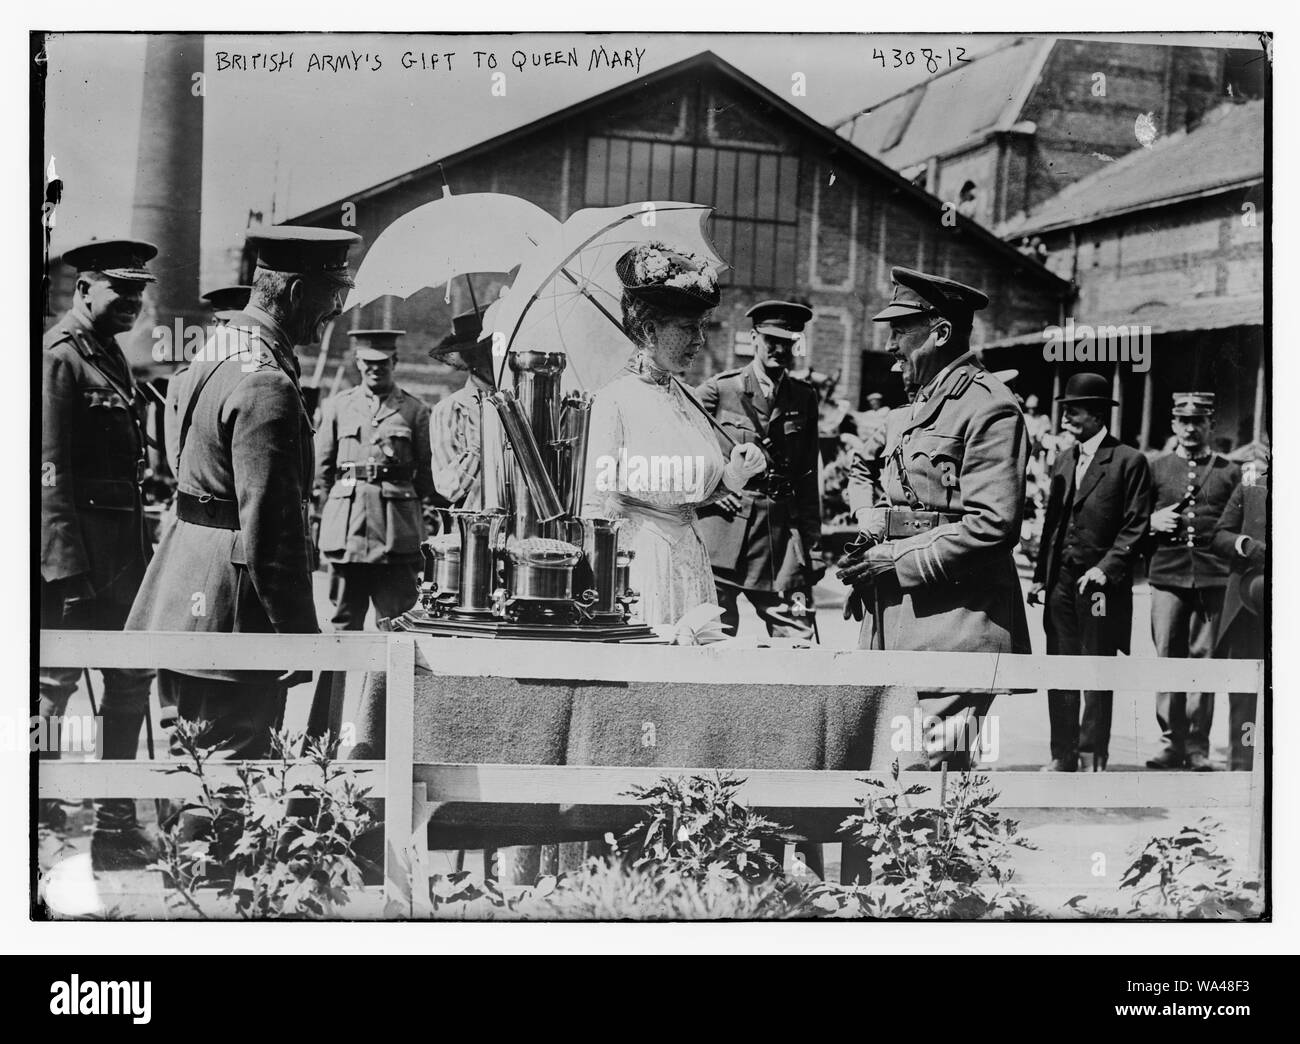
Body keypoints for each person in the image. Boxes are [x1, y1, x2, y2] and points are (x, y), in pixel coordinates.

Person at [127, 226, 359, 759]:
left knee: (196, 762)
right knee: (230, 766)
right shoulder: (266, 383)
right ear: (298, 293)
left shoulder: (213, 354)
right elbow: (272, 531)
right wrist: (298, 634)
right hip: (233, 608)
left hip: (185, 587)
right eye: (334, 298)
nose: (333, 315)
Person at [840, 266, 1030, 774]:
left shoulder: (989, 407)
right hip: (900, 619)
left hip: (954, 624)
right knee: (885, 774)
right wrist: (875, 531)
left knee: (921, 780)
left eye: (900, 330)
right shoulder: (923, 403)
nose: (890, 345)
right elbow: (918, 502)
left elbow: (993, 524)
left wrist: (894, 561)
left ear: (940, 332)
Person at [40, 237, 158, 867]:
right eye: (121, 288)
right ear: (84, 289)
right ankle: (39, 806)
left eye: (140, 291)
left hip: (122, 562)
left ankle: (115, 815)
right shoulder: (58, 357)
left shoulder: (108, 352)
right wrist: (63, 568)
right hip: (79, 564)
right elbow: (46, 470)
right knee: (52, 688)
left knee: (130, 681)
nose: (134, 301)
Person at [581, 243, 766, 627]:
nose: (699, 340)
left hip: (689, 556)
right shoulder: (614, 400)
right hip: (640, 564)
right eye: (687, 328)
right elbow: (593, 507)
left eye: (701, 327)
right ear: (649, 330)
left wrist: (735, 474)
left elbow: (697, 494)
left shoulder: (685, 397)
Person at [1027, 373, 1152, 772]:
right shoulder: (1064, 459)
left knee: (1097, 666)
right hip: (1061, 583)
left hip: (1099, 587)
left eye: (1074, 412)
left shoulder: (1129, 461)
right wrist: (1040, 576)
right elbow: (1053, 522)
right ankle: (1061, 754)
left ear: (1098, 415)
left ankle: (1091, 754)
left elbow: (1136, 525)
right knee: (1061, 666)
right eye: (1065, 411)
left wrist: (1106, 568)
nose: (1065, 419)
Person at [695, 301, 822, 640]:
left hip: (779, 544)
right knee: (712, 640)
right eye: (771, 340)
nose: (780, 349)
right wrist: (708, 495)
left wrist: (812, 545)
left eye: (788, 342)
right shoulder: (719, 390)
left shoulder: (803, 398)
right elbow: (682, 452)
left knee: (798, 635)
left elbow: (809, 476)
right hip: (723, 536)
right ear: (753, 338)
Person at [315, 329, 435, 630]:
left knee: (395, 625)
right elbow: (323, 469)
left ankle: (383, 681)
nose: (375, 368)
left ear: (395, 361)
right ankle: (337, 680)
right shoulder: (338, 407)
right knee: (343, 622)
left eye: (383, 362)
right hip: (348, 534)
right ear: (357, 363)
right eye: (368, 362)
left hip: (397, 535)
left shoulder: (414, 410)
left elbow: (426, 473)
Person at [1144, 392, 1240, 771]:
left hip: (1213, 577)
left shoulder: (1228, 471)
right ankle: (1170, 742)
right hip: (1167, 575)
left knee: (1205, 660)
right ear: (1172, 424)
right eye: (1183, 421)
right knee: (1168, 658)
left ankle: (1197, 745)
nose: (1190, 427)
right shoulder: (1156, 468)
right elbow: (1132, 518)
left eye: (1198, 421)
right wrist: (1152, 522)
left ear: (1211, 425)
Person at [1212, 443, 1268, 771]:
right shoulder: (1251, 483)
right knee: (1245, 695)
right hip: (1249, 604)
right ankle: (1242, 765)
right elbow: (1219, 535)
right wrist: (1245, 545)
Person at [427, 310, 495, 509]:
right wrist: (484, 439)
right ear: (473, 357)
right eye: (491, 350)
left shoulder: (519, 401)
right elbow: (450, 488)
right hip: (470, 529)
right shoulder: (450, 410)